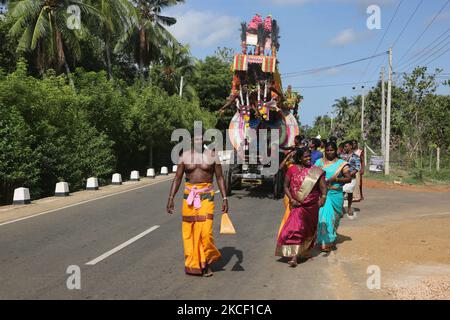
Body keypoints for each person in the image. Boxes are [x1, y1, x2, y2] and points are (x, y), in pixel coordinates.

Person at [166, 134, 229, 277]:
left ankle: (207, 262)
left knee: (205, 232)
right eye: (196, 139)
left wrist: (225, 198)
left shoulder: (213, 156)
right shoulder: (185, 156)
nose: (199, 141)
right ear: (192, 141)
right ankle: (196, 264)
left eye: (201, 139)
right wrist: (171, 198)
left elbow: (219, 177)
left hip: (207, 196)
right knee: (191, 231)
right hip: (189, 197)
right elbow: (177, 178)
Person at [276, 148, 327, 267]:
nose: (309, 159)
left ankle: (304, 250)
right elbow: (286, 186)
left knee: (308, 229)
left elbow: (323, 187)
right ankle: (294, 256)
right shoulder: (292, 169)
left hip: (312, 205)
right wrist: (292, 199)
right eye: (306, 157)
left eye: (309, 156)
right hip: (298, 205)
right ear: (299, 158)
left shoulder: (316, 171)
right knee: (295, 228)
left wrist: (323, 198)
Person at [315, 142, 352, 252]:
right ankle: (326, 241)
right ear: (324, 151)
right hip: (323, 194)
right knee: (324, 216)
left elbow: (348, 178)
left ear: (336, 151)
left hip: (336, 194)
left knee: (335, 218)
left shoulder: (342, 164)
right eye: (327, 150)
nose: (329, 152)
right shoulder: (319, 162)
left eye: (332, 150)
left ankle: (331, 234)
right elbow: (312, 176)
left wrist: (335, 179)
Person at [341, 141, 361, 218]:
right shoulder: (342, 156)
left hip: (351, 178)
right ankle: (341, 208)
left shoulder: (355, 156)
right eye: (344, 146)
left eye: (346, 146)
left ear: (350, 147)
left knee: (349, 193)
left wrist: (350, 175)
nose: (345, 148)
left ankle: (349, 208)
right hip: (342, 177)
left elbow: (357, 168)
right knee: (341, 193)